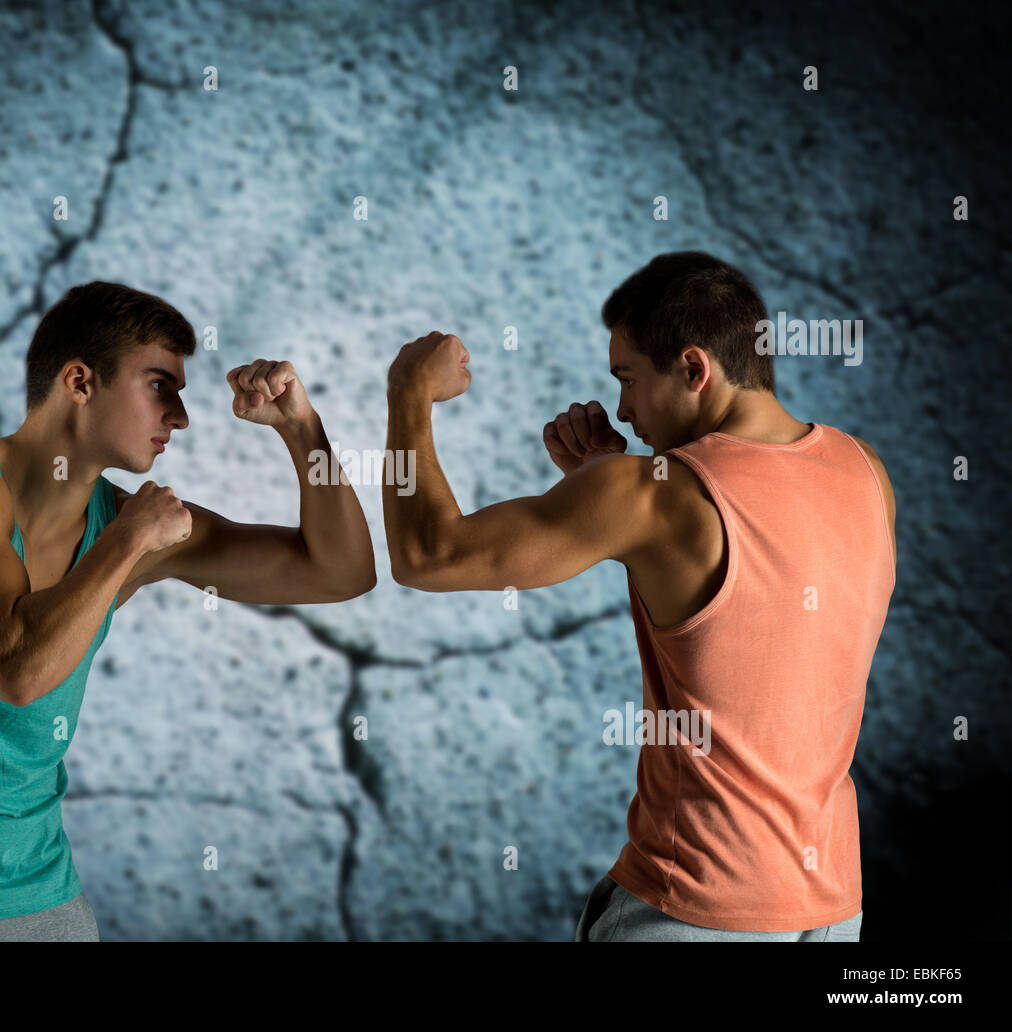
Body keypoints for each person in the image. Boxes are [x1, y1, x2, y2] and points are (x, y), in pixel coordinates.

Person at [0, 281, 376, 941]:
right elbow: (15, 671)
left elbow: (341, 571)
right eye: (161, 385)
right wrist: (126, 543)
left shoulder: (130, 522)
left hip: (40, 901)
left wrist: (303, 429)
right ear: (79, 381)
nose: (180, 416)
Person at [383, 251, 895, 942]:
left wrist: (408, 391)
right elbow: (765, 627)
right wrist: (610, 485)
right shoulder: (866, 472)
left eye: (628, 379)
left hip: (691, 910)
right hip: (830, 909)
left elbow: (427, 555)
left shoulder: (652, 494)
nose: (622, 408)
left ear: (693, 369)